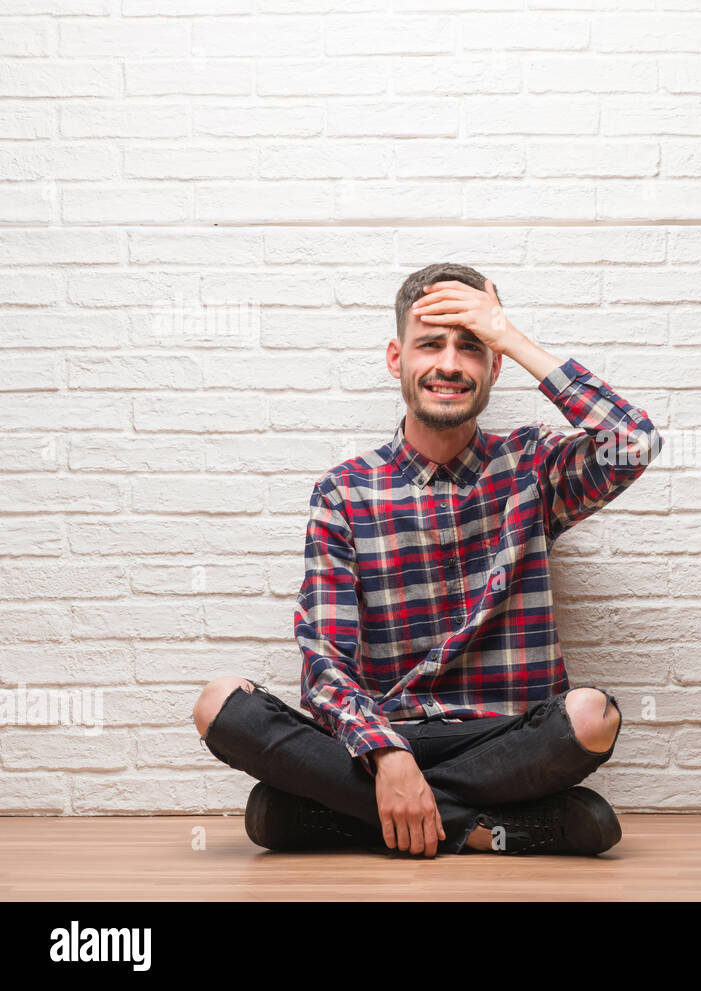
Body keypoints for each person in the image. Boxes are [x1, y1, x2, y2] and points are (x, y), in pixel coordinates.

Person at [191, 263, 661, 857]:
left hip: (504, 739)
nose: (449, 364)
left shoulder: (533, 465)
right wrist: (388, 755)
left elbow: (633, 442)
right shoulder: (344, 491)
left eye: (472, 347)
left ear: (493, 365)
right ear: (396, 358)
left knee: (594, 717)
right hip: (383, 738)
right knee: (219, 704)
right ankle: (484, 828)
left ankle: (340, 817)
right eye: (431, 344)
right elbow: (324, 661)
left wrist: (511, 337)